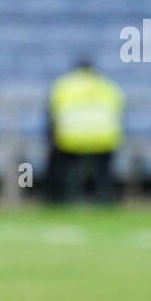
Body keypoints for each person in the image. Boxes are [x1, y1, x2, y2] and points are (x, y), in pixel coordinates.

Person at [44, 59, 124, 205]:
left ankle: (64, 198)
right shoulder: (107, 85)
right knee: (103, 173)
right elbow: (119, 112)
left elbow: (52, 114)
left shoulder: (64, 85)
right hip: (104, 138)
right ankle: (105, 198)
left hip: (71, 138)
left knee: (63, 168)